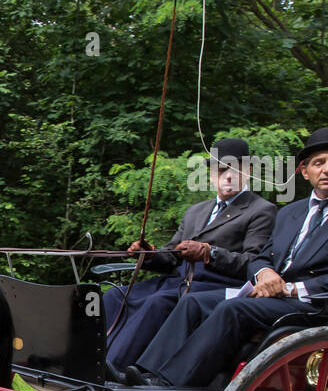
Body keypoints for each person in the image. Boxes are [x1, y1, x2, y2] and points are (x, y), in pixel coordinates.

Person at [130, 127, 328, 388]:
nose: (327, 169)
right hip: (273, 295)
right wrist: (265, 274)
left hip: (321, 305)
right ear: (305, 172)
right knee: (193, 303)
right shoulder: (291, 212)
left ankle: (171, 383)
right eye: (318, 163)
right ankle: (146, 373)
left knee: (233, 309)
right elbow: (261, 257)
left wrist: (289, 289)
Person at [103, 137, 277, 375]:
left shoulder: (261, 210)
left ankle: (116, 367)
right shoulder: (196, 211)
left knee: (158, 303)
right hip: (178, 281)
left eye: (235, 169)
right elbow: (172, 255)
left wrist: (210, 253)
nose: (228, 176)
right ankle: (88, 358)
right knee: (115, 295)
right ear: (211, 174)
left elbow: (252, 263)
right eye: (222, 169)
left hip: (214, 285)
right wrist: (151, 253)